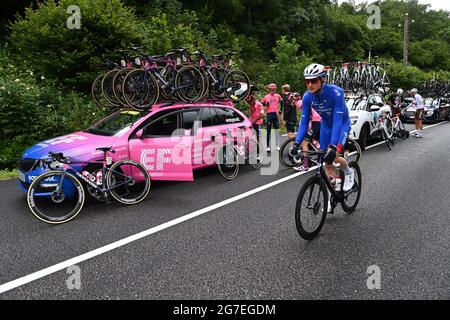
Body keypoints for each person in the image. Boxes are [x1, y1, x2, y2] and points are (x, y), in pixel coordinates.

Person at [291, 63, 354, 192]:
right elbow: (303, 122)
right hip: (325, 126)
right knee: (326, 162)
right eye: (307, 81)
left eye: (313, 81)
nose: (310, 85)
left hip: (341, 125)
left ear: (322, 79)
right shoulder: (307, 97)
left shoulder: (336, 92)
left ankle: (348, 171)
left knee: (334, 155)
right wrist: (297, 143)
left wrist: (333, 146)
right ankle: (332, 194)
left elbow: (337, 121)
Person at [292, 92, 321, 171]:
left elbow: (308, 116)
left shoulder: (299, 103)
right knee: (315, 140)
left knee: (304, 143)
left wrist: (305, 126)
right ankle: (320, 157)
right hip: (319, 121)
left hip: (316, 122)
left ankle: (305, 165)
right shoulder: (302, 101)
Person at [262, 83, 282, 152]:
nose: (272, 91)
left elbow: (281, 102)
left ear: (275, 90)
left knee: (276, 130)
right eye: (271, 90)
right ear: (269, 90)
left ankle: (277, 145)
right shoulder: (266, 96)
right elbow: (262, 103)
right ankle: (268, 146)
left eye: (273, 90)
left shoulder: (278, 96)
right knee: (268, 131)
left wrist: (281, 110)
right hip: (269, 114)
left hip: (275, 114)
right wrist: (265, 104)